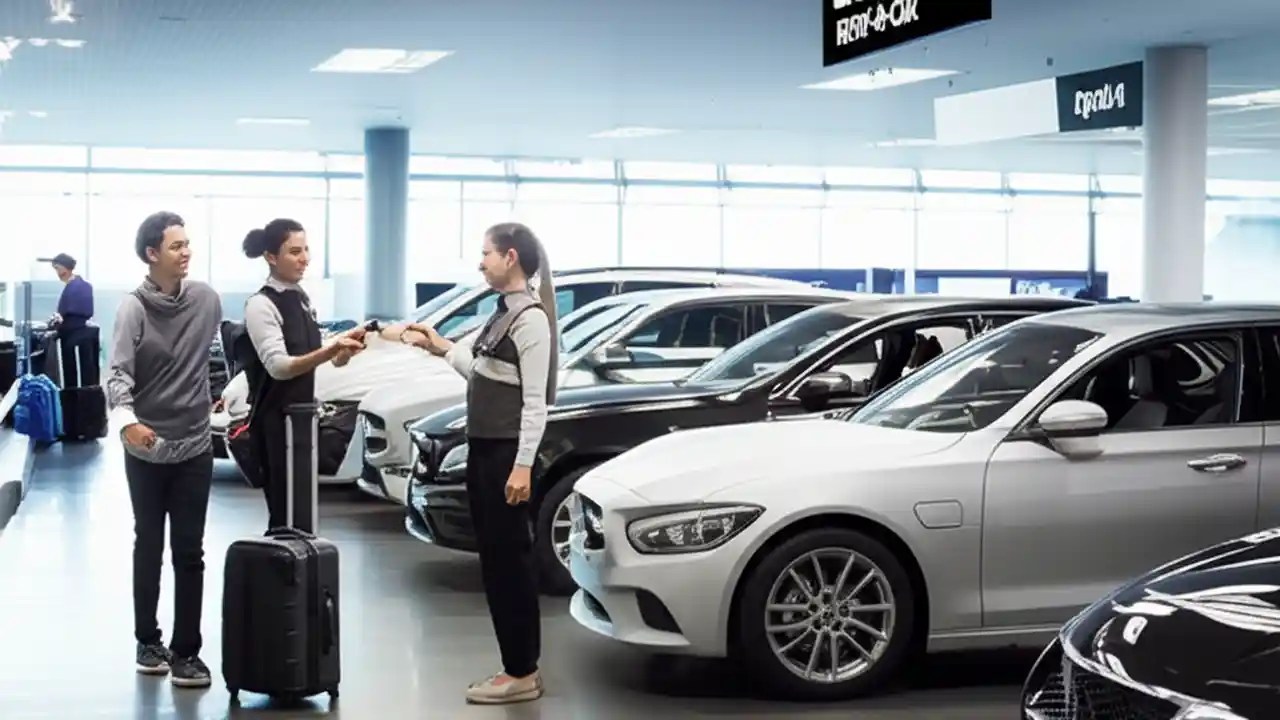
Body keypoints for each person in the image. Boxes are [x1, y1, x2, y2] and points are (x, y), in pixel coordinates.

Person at [405, 222, 557, 705]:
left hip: (505, 455)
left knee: (510, 563)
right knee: (495, 562)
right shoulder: (502, 315)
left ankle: (522, 671)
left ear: (510, 257)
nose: (480, 262)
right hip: (486, 451)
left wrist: (521, 467)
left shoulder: (530, 320)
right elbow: (483, 372)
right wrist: (441, 347)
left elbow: (536, 404)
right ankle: (515, 666)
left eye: (486, 253)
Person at [105, 211, 224, 687]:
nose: (187, 252)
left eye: (188, 243)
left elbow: (215, 355)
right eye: (177, 246)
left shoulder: (206, 300)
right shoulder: (133, 308)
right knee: (149, 544)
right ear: (152, 254)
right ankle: (147, 640)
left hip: (196, 443)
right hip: (147, 446)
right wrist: (129, 424)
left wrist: (222, 390)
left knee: (190, 551)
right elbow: (117, 374)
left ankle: (187, 652)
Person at [241, 218, 366, 530]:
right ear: (271, 257)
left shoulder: (302, 299)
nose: (305, 258)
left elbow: (323, 361)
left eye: (306, 249)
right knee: (284, 511)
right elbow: (279, 367)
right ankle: (282, 572)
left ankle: (300, 571)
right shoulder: (261, 305)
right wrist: (329, 350)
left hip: (301, 420)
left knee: (303, 510)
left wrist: (343, 352)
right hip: (275, 421)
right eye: (294, 251)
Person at [49, 252, 98, 387]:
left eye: (58, 268)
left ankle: (76, 402)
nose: (57, 272)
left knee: (76, 375)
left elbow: (83, 311)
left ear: (65, 268)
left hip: (75, 335)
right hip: (71, 334)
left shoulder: (80, 286)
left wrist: (61, 318)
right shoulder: (74, 286)